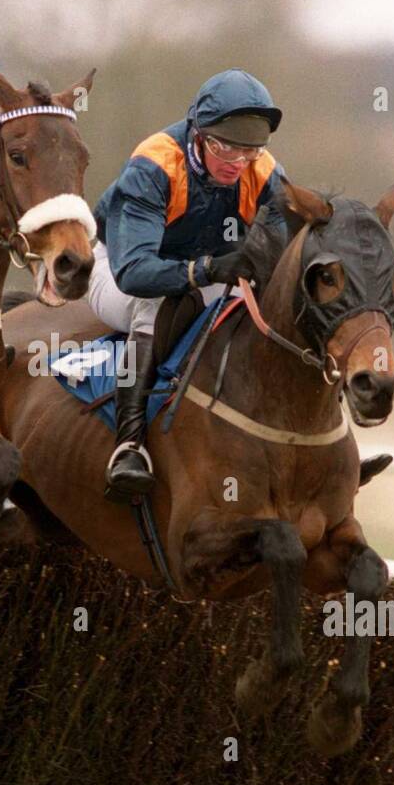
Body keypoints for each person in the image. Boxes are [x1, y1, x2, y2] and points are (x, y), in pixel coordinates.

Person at [88, 69, 289, 500]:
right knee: (160, 300)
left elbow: (283, 255)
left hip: (198, 271)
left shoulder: (262, 169)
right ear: (198, 134)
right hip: (114, 269)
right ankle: (129, 446)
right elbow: (136, 272)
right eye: (225, 147)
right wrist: (208, 269)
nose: (237, 162)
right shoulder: (156, 163)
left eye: (249, 150)